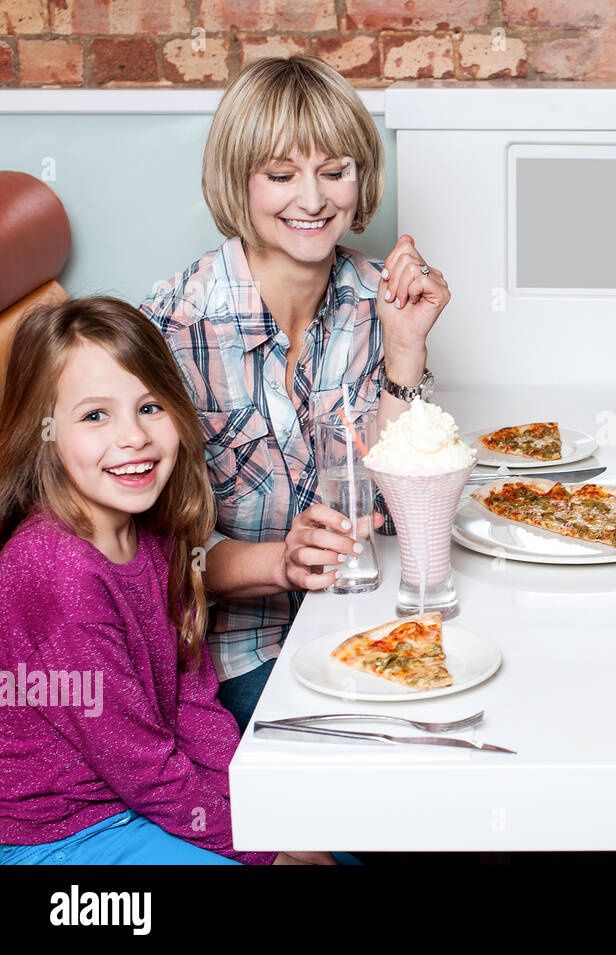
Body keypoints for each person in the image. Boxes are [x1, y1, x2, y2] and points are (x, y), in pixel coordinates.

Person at [140, 56, 450, 730]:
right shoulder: (170, 328)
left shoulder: (381, 301)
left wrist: (406, 349)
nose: (312, 200)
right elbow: (153, 554)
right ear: (238, 182)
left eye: (334, 172)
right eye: (280, 176)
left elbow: (399, 517)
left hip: (374, 620)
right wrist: (281, 561)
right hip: (242, 655)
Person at [0, 298, 331, 864]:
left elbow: (192, 701)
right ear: (44, 431)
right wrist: (263, 852)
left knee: (334, 846)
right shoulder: (61, 572)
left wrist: (257, 813)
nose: (133, 437)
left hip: (146, 796)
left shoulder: (150, 534)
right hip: (69, 834)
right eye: (94, 416)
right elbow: (138, 763)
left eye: (150, 407)